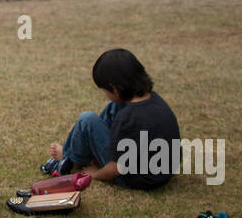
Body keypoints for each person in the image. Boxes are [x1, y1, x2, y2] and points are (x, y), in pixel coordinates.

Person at [45, 48, 180, 190]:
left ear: (114, 88)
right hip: (163, 172)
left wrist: (95, 174)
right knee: (114, 106)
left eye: (104, 90)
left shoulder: (127, 118)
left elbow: (117, 168)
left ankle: (71, 160)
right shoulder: (153, 99)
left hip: (137, 178)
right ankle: (85, 140)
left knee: (87, 119)